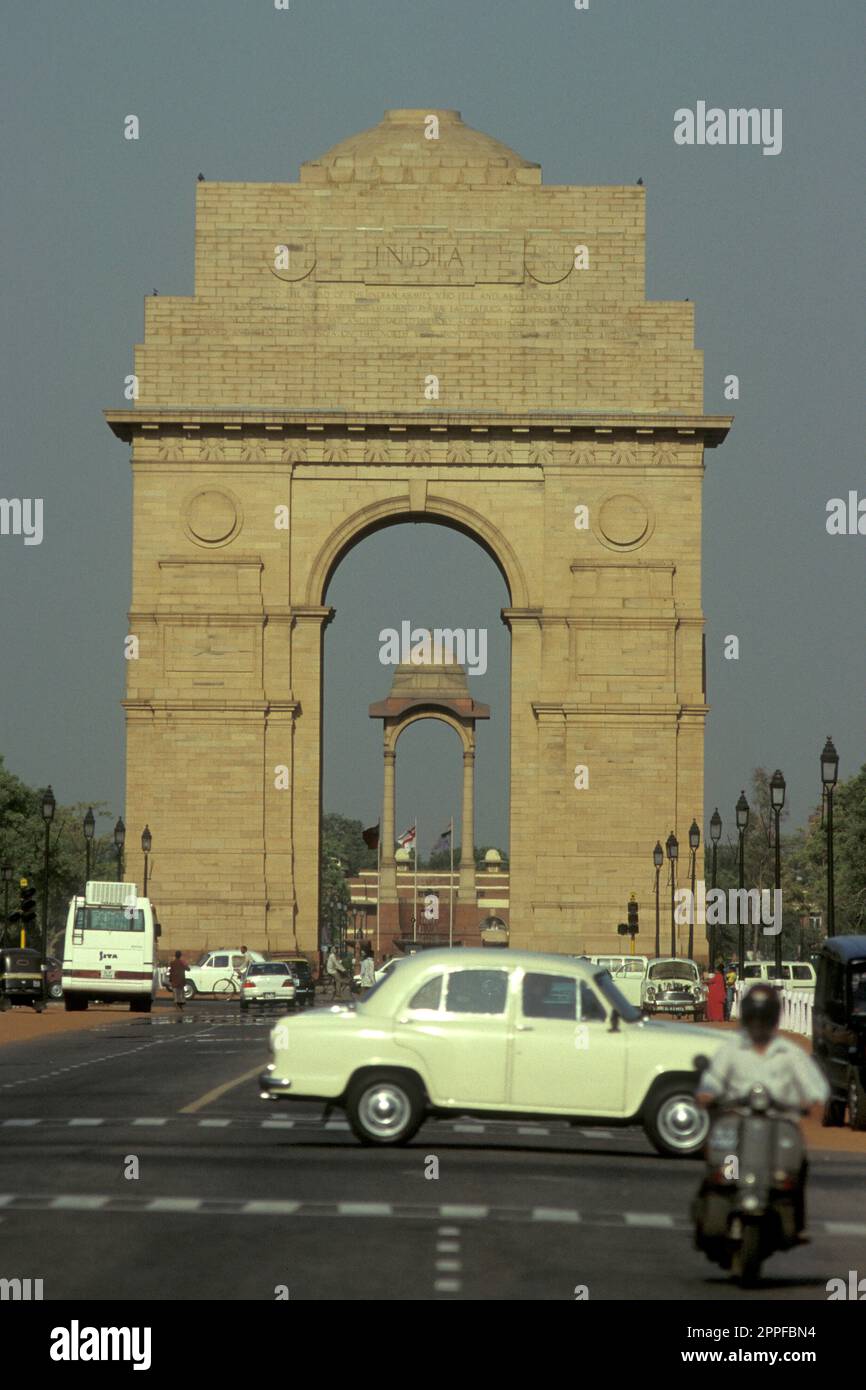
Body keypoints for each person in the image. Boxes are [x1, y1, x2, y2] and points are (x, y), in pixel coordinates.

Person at [696, 983, 829, 1232]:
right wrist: (707, 1095)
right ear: (746, 1017)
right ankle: (709, 1208)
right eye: (754, 1016)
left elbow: (816, 1091)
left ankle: (795, 1219)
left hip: (778, 1128)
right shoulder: (732, 1049)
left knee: (791, 1169)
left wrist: (810, 1104)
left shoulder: (790, 1053)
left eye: (764, 1017)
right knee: (724, 1171)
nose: (758, 1022)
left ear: (773, 1018)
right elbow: (710, 1083)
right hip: (736, 1128)